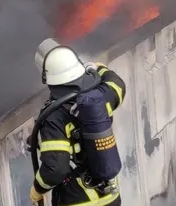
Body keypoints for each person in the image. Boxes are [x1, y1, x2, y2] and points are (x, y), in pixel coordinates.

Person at [29, 39, 126, 206]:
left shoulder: (54, 116)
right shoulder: (100, 95)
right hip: (110, 197)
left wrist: (37, 189)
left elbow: (55, 170)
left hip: (78, 201)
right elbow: (118, 85)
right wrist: (99, 68)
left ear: (47, 77)